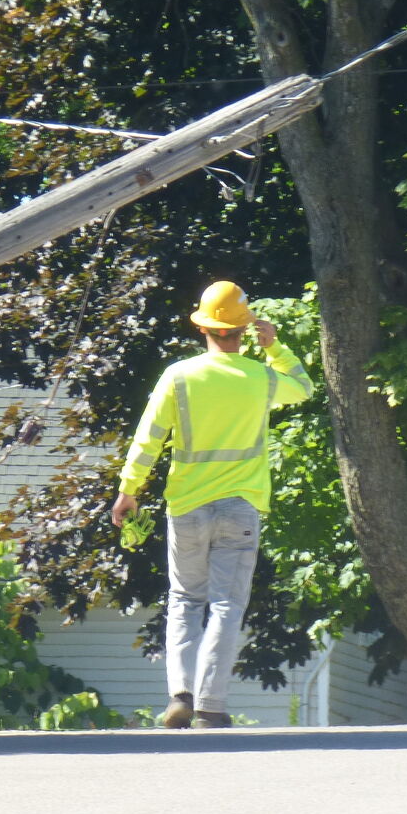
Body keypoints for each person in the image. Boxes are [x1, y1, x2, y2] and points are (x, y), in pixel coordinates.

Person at [110, 281, 315, 728]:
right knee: (227, 605)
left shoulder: (179, 376)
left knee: (185, 599)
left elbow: (149, 438)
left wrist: (129, 490)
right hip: (240, 508)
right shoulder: (261, 378)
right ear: (243, 330)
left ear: (203, 327)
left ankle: (179, 695)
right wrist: (275, 346)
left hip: (186, 505)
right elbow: (304, 387)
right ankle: (210, 705)